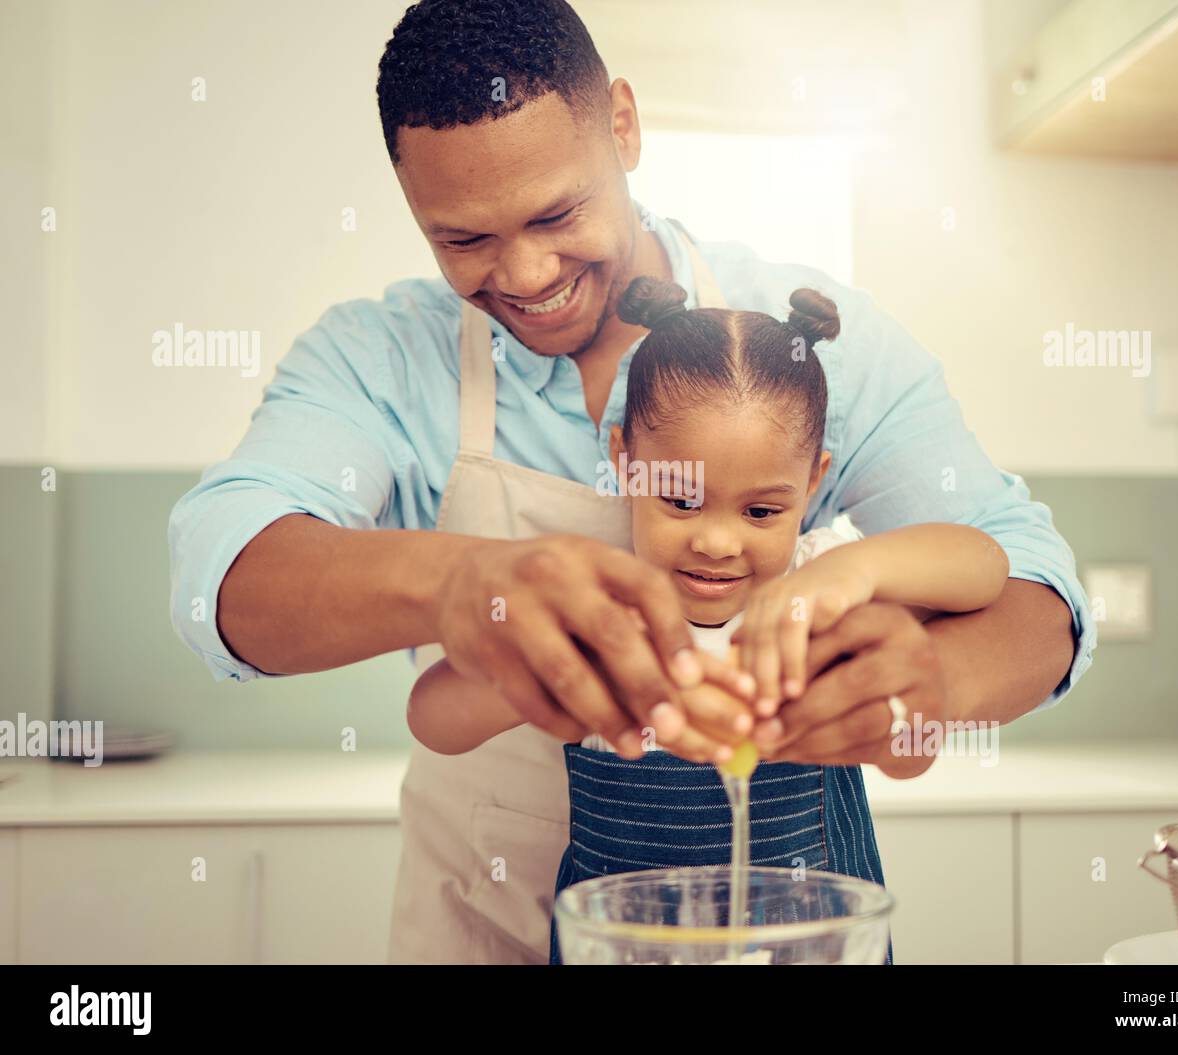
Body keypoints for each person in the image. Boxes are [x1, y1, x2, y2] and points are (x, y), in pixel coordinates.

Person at [167, 0, 1095, 964]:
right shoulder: (378, 357)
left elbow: (1032, 585)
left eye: (556, 213)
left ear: (623, 124)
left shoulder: (802, 355)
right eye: (463, 242)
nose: (525, 272)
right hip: (474, 932)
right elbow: (220, 571)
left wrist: (932, 683)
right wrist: (463, 589)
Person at [407, 275, 1012, 963]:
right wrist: (558, 670)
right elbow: (433, 716)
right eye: (681, 501)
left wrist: (855, 570)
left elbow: (985, 561)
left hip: (813, 943)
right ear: (625, 463)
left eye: (761, 512)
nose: (719, 542)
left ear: (813, 481)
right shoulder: (598, 610)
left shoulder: (826, 598)